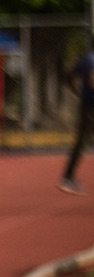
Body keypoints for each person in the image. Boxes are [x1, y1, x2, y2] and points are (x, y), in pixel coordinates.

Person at [61, 45, 94, 194]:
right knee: (81, 142)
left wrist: (76, 91)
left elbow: (68, 75)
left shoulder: (85, 59)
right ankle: (67, 178)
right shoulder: (91, 60)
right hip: (91, 106)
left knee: (81, 142)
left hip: (86, 105)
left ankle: (68, 177)